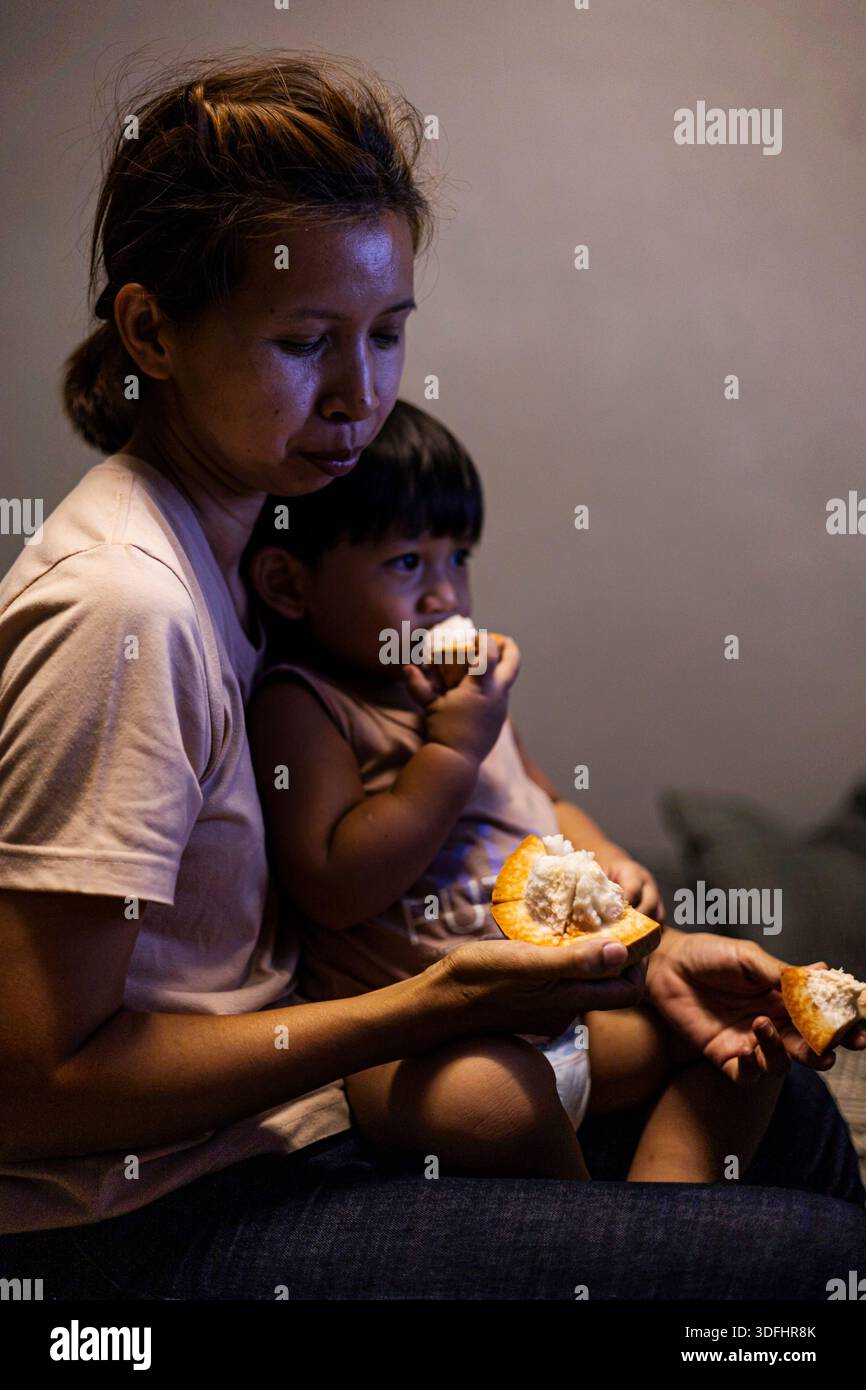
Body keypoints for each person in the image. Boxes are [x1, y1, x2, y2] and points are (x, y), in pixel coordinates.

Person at [0, 51, 863, 1300]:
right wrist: (435, 1003)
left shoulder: (248, 562)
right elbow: (29, 1094)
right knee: (817, 1270)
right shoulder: (124, 606)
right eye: (304, 342)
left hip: (276, 1133)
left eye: (388, 333)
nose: (360, 398)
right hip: (145, 1219)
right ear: (153, 332)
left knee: (780, 1108)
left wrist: (643, 953)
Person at [242, 397, 794, 1183]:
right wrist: (454, 746)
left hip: (567, 1009)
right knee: (489, 1101)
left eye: (458, 557)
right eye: (407, 564)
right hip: (427, 1041)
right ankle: (584, 1243)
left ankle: (668, 1217)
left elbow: (545, 802)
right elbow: (335, 884)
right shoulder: (305, 705)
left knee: (738, 1029)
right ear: (289, 584)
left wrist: (603, 856)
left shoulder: (473, 686)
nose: (444, 596)